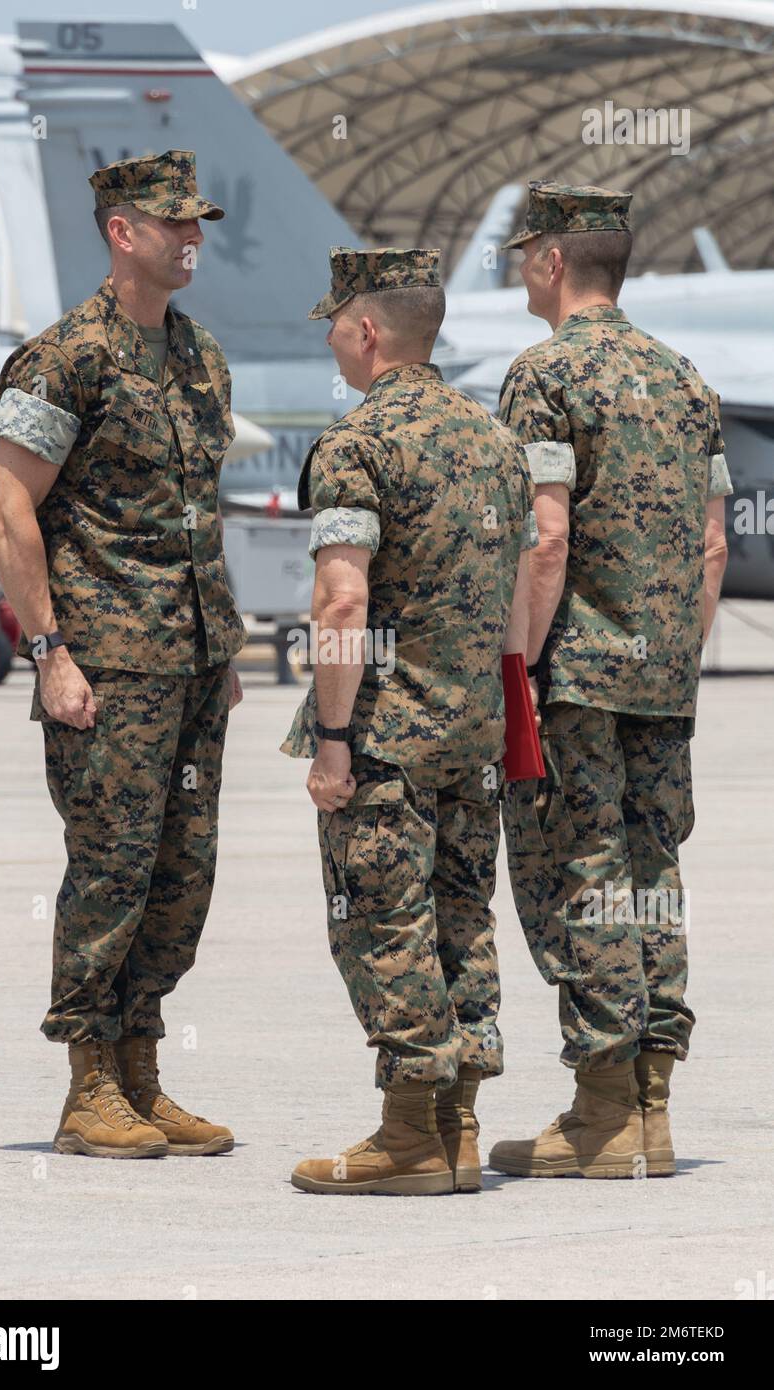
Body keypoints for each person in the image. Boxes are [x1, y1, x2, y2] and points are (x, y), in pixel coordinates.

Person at [0, 151, 245, 1159]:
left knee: (182, 874)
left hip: (190, 660)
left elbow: (197, 516)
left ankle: (140, 1067)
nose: (192, 240)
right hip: (107, 666)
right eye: (172, 223)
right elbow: (11, 514)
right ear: (120, 232)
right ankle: (87, 1081)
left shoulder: (199, 356)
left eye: (198, 223)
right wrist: (50, 652)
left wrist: (219, 641)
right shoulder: (61, 361)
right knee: (109, 868)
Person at [281, 246, 538, 1194]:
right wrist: (508, 718)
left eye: (336, 328)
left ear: (366, 330)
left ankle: (407, 1139)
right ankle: (461, 1125)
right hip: (472, 738)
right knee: (464, 919)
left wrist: (335, 745)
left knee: (383, 924)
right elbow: (515, 603)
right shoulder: (496, 443)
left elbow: (341, 605)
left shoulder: (358, 445)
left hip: (388, 739)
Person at [491, 181, 731, 1179]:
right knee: (649, 878)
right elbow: (713, 546)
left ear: (551, 261)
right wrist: (672, 652)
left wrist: (515, 663)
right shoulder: (683, 379)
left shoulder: (542, 376)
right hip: (662, 679)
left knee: (583, 880)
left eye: (521, 255)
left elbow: (543, 538)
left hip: (577, 677)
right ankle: (648, 1108)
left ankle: (599, 1111)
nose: (518, 272)